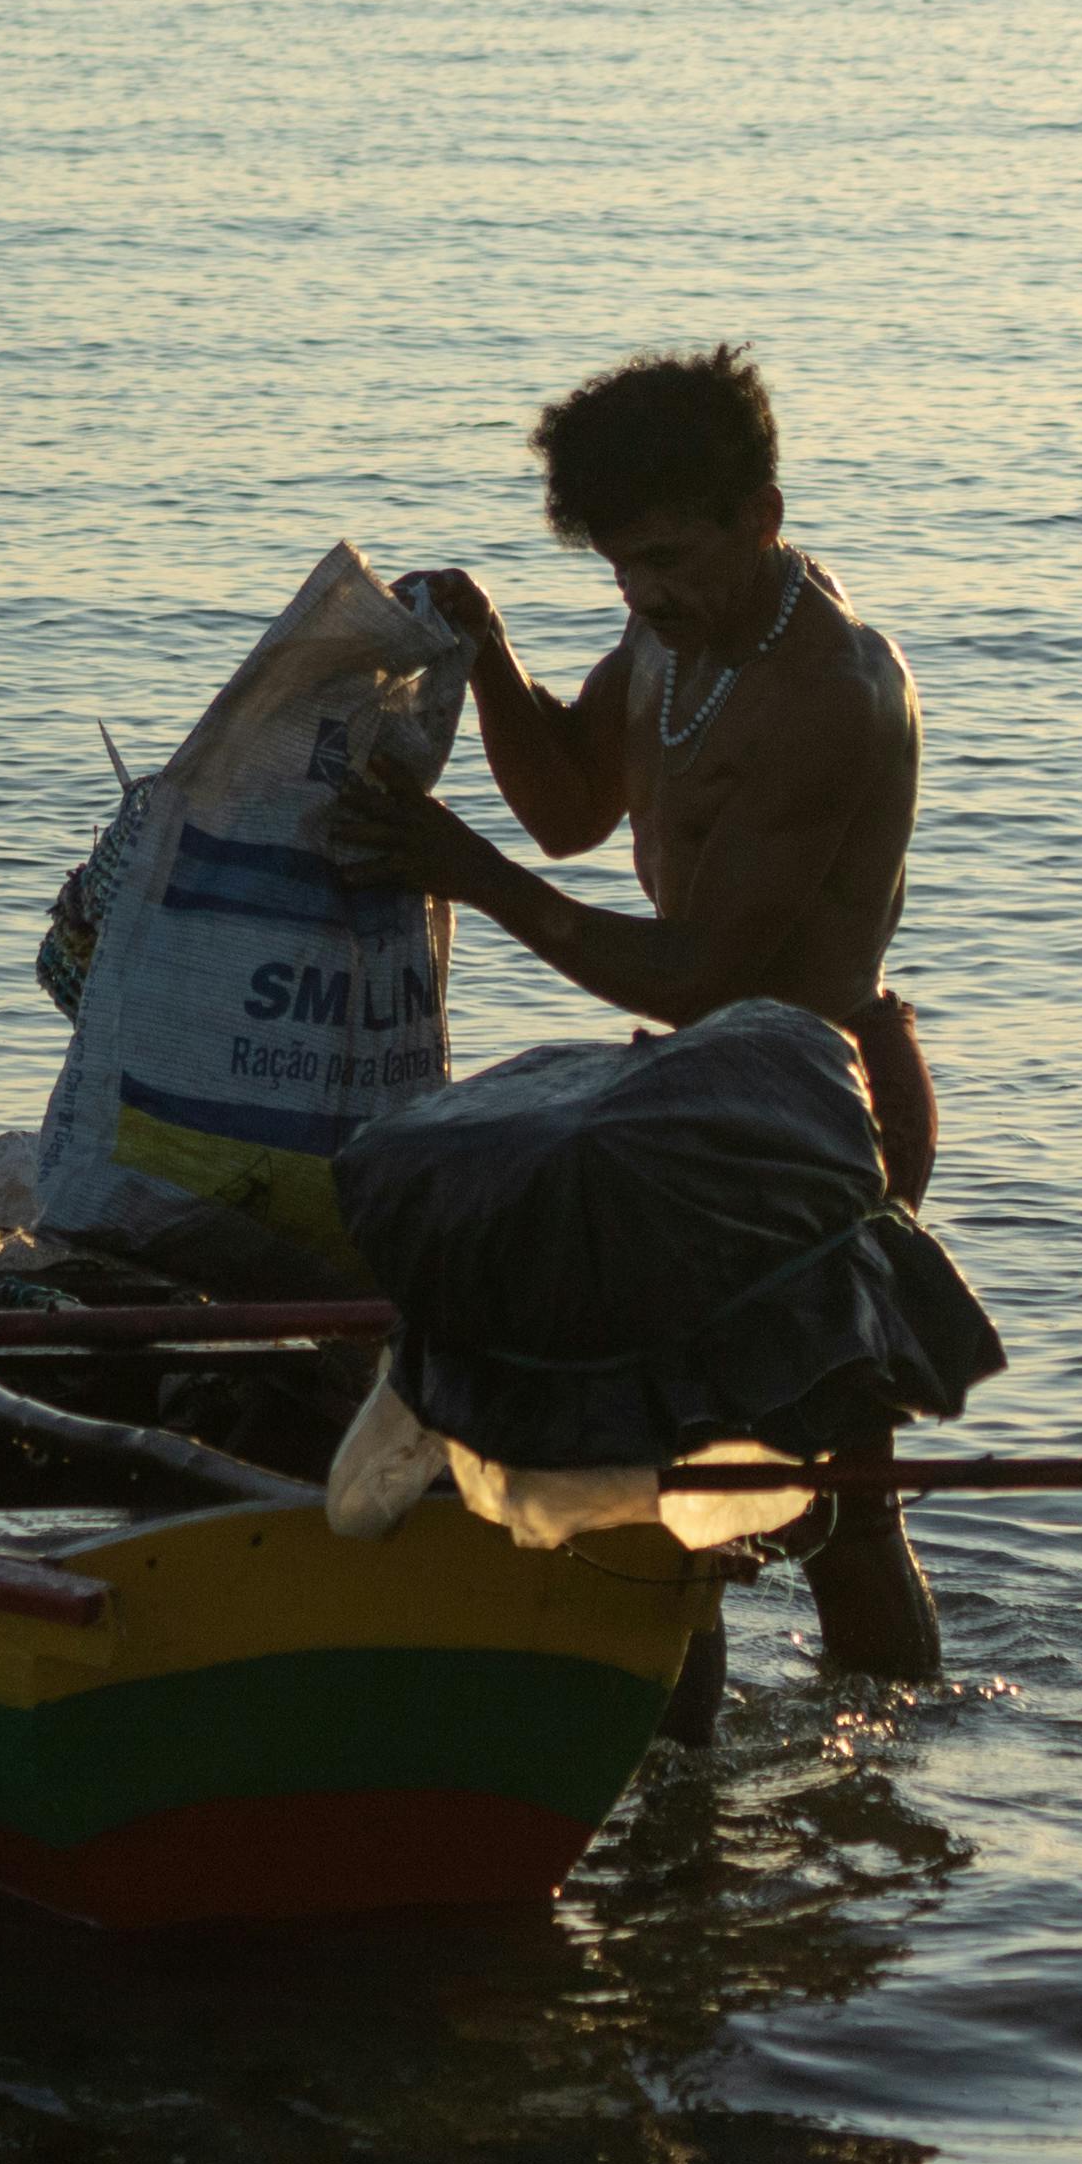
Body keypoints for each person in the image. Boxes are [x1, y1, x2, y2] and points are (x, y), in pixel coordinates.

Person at [319, 342, 947, 1681]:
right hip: (693, 1100)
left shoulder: (826, 692)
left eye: (672, 558)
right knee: (663, 1496)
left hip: (819, 1109)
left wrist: (461, 874)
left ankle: (883, 1788)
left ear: (758, 519)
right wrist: (488, 657)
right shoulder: (669, 638)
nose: (651, 593)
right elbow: (566, 813)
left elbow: (697, 974)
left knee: (847, 1508)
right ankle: (681, 1784)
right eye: (623, 568)